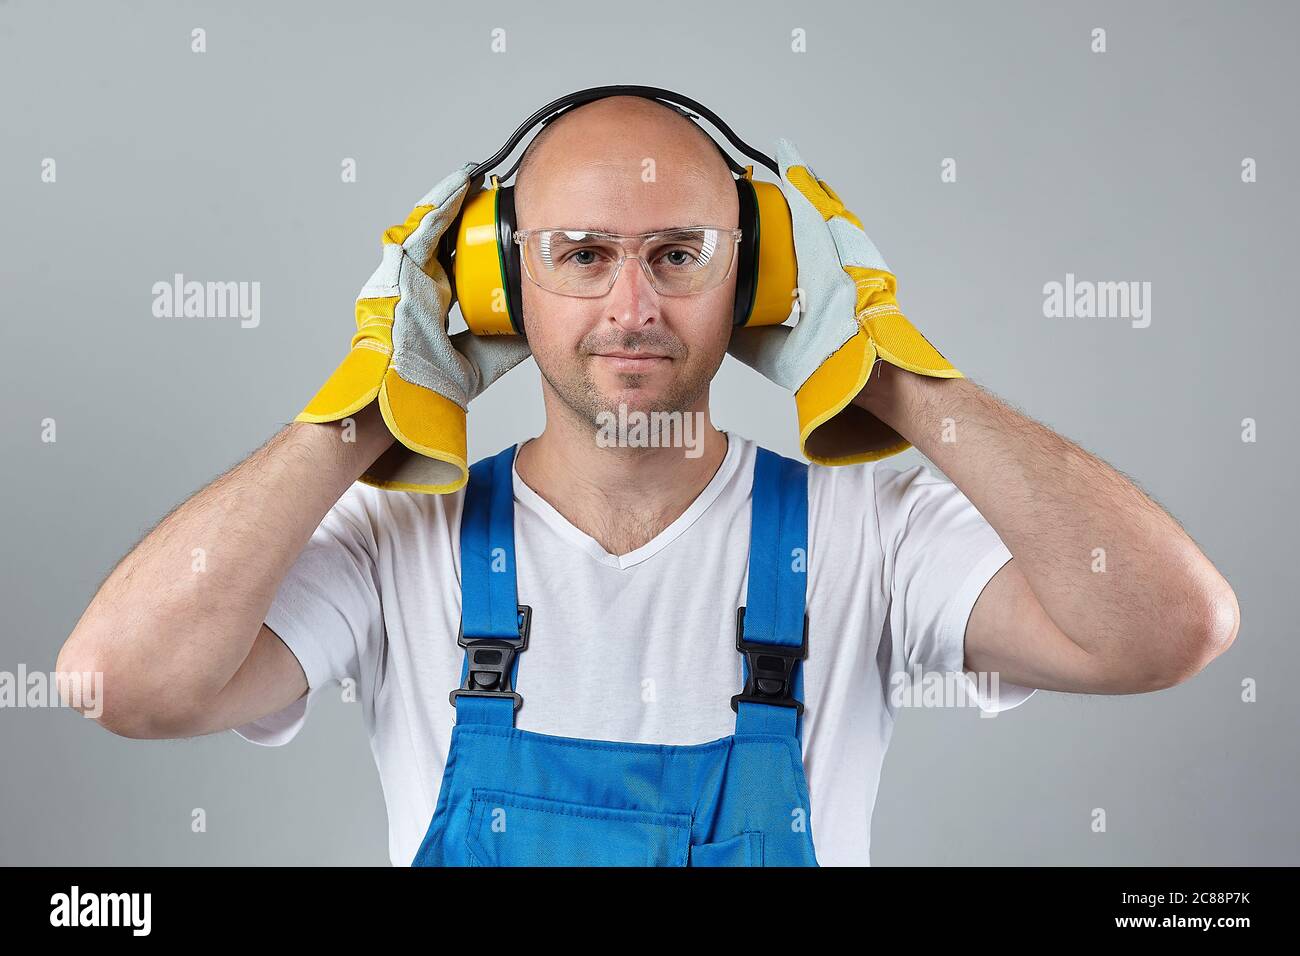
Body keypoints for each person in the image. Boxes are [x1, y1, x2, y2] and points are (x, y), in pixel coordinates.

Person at [57, 96, 1240, 866]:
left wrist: (892, 374)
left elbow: (1166, 627)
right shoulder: (396, 535)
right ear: (498, 289)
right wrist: (364, 402)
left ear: (761, 285)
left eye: (679, 255)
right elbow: (121, 682)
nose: (632, 308)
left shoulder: (863, 527)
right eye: (580, 256)